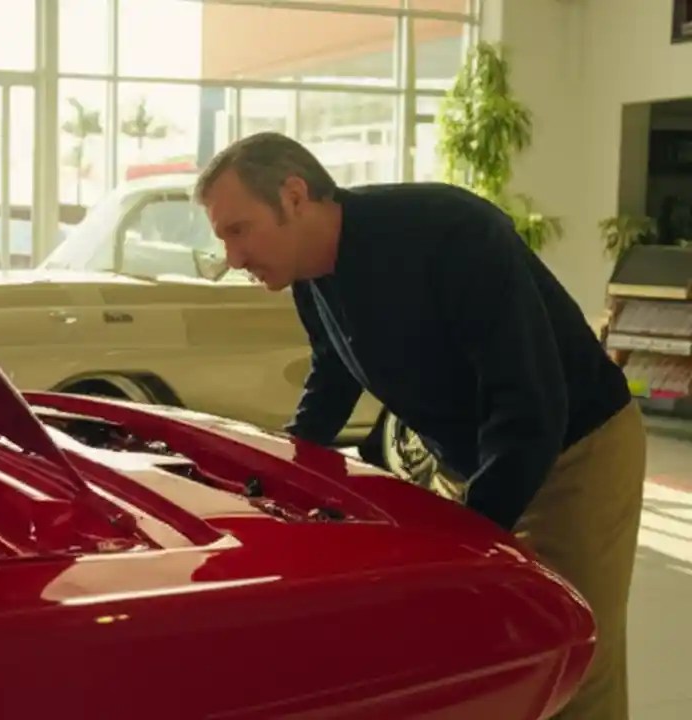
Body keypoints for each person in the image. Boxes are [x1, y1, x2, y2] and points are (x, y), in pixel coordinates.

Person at [194, 132, 645, 720]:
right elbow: (331, 380)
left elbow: (530, 405)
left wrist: (469, 539)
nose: (232, 257)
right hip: (481, 456)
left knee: (567, 654)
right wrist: (279, 472)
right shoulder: (311, 274)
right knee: (490, 654)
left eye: (238, 229)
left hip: (574, 450)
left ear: (295, 195)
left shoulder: (449, 233)